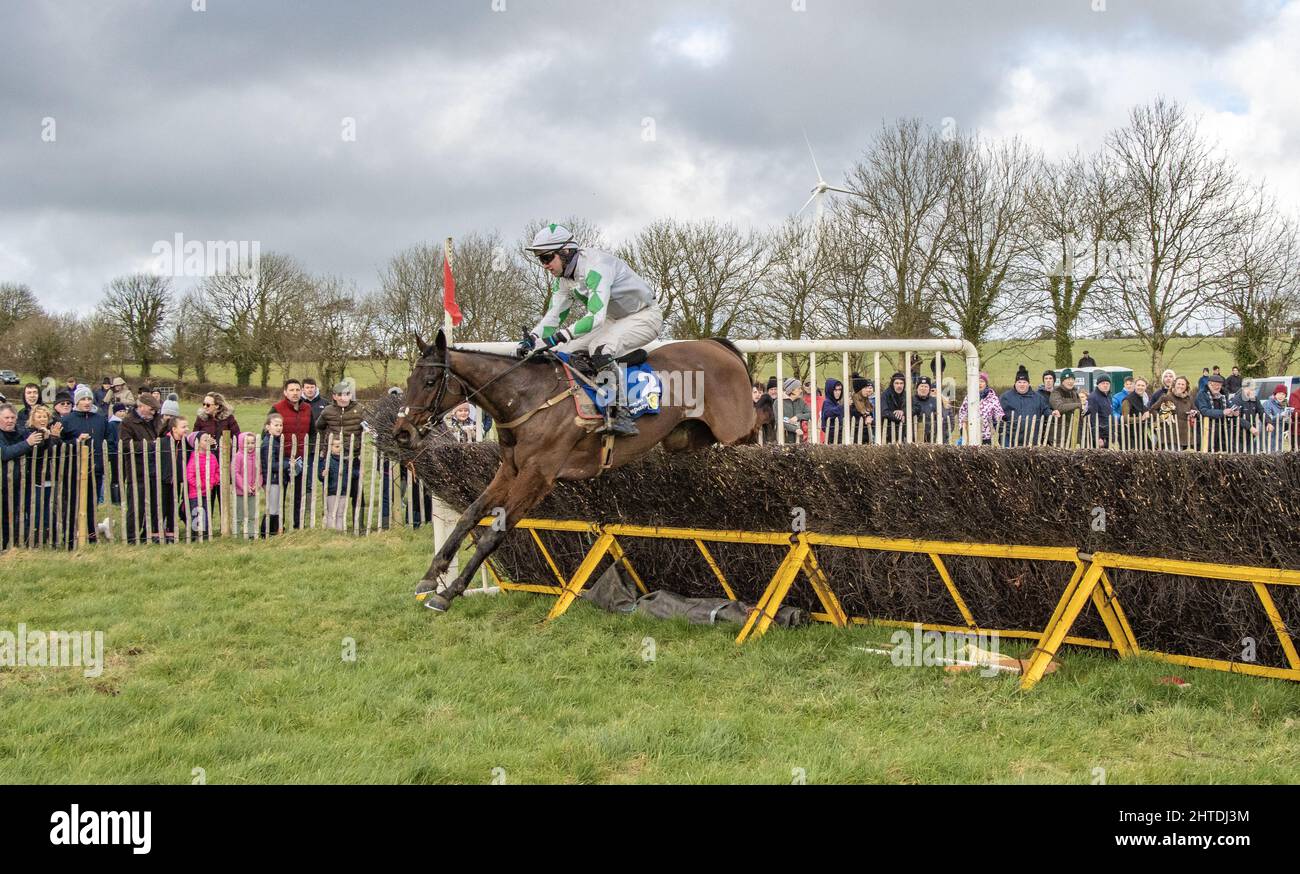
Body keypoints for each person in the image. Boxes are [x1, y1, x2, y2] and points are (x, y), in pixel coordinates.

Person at [518, 223, 664, 437]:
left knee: (600, 348)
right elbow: (554, 314)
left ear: (565, 252)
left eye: (547, 258)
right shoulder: (564, 280)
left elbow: (595, 317)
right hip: (614, 320)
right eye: (541, 260)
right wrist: (532, 338)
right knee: (563, 351)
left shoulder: (596, 266)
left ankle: (620, 413)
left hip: (644, 315)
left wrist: (556, 337)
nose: (545, 266)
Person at [58, 386, 110, 545]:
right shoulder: (67, 420)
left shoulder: (100, 419)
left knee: (92, 504)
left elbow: (108, 440)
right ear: (77, 402)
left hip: (95, 467)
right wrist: (76, 441)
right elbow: (59, 444)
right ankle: (70, 537)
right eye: (83, 399)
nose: (86, 402)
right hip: (73, 468)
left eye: (89, 399)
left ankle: (92, 535)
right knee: (73, 503)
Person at [118, 394, 165, 544]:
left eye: (156, 410)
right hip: (137, 470)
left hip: (155, 469)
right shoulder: (128, 422)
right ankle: (132, 537)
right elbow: (125, 445)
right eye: (151, 409)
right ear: (141, 406)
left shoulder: (156, 420)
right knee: (136, 507)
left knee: (154, 505)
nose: (154, 412)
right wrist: (150, 445)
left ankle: (150, 534)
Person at [259, 413, 295, 536]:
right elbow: (271, 465)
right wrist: (288, 464)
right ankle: (266, 533)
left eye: (280, 425)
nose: (279, 427)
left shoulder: (276, 441)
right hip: (272, 479)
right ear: (267, 427)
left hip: (277, 479)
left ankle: (274, 532)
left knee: (277, 507)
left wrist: (286, 462)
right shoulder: (268, 443)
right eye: (276, 425)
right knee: (273, 508)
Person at [999, 365, 1050, 445]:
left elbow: (1046, 410)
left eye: (1024, 382)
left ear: (1029, 384)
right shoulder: (1006, 397)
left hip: (1032, 440)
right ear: (1015, 383)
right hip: (1011, 440)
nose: (1022, 385)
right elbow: (997, 413)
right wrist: (1002, 429)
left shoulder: (1038, 398)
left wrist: (1052, 413)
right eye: (1019, 382)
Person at [186, 432, 220, 539]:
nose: (208, 441)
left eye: (208, 439)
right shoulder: (193, 458)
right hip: (196, 493)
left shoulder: (213, 457)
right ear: (197, 443)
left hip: (207, 491)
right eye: (205, 440)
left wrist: (212, 482)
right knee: (197, 513)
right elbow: (189, 475)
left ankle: (205, 534)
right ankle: (196, 535)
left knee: (206, 512)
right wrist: (198, 484)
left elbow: (217, 472)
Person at [1194, 372, 1238, 451]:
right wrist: (1223, 412)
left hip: (1221, 430)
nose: (1217, 387)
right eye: (1215, 385)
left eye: (1219, 385)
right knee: (1208, 452)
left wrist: (1234, 412)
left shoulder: (1222, 395)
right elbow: (1204, 411)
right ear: (1209, 384)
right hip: (1206, 429)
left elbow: (1230, 406)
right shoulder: (1202, 394)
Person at [956, 372, 1004, 445]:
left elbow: (998, 412)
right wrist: (962, 428)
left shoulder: (993, 398)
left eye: (982, 381)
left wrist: (1000, 422)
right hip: (971, 434)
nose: (980, 384)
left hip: (987, 436)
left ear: (986, 383)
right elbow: (962, 412)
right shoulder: (969, 397)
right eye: (977, 381)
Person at [230, 432, 262, 539]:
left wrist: (257, 484)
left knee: (252, 514)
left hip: (252, 491)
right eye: (247, 443)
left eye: (253, 443)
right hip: (240, 492)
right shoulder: (238, 456)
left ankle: (251, 533)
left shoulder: (256, 456)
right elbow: (235, 473)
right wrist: (245, 486)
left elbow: (260, 472)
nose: (250, 445)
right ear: (241, 443)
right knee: (239, 515)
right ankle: (237, 534)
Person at [1153, 375, 1196, 450]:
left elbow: (1197, 412)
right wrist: (1163, 417)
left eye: (1183, 384)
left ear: (1186, 387)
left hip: (1184, 435)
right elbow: (1153, 409)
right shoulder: (1167, 397)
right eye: (1178, 384)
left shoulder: (1189, 399)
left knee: (1180, 460)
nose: (1180, 386)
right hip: (1170, 434)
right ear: (1174, 385)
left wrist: (1193, 412)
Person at [1048, 369, 1085, 445]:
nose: (1070, 381)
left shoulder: (1074, 393)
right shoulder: (1056, 392)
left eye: (1072, 379)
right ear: (1062, 381)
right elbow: (1059, 407)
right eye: (1067, 379)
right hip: (1060, 435)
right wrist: (1078, 405)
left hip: (1074, 433)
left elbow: (1079, 411)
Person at [320, 433, 348, 531]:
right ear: (330, 447)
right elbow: (320, 476)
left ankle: (339, 532)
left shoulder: (345, 461)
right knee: (332, 513)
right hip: (331, 491)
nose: (339, 448)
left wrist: (358, 473)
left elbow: (350, 473)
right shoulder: (327, 460)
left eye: (340, 446)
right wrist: (322, 474)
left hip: (343, 491)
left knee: (340, 514)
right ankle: (331, 532)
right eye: (336, 446)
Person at [777, 377, 810, 443]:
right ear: (791, 390)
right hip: (783, 441)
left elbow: (810, 414)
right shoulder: (778, 402)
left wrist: (797, 417)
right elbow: (779, 420)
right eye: (799, 388)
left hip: (799, 440)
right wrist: (795, 429)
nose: (801, 391)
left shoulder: (801, 402)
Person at [912, 377, 944, 443]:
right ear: (917, 388)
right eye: (921, 386)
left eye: (926, 387)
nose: (923, 389)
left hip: (931, 437)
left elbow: (941, 418)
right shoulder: (911, 400)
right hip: (913, 437)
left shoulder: (935, 401)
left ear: (929, 389)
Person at [1084, 374, 1113, 448]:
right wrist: (1098, 437)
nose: (1105, 385)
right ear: (1098, 385)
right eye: (1103, 383)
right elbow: (1092, 418)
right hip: (1099, 435)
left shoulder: (1109, 396)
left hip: (1107, 433)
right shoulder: (1093, 398)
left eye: (1107, 383)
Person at [1262, 384, 1292, 452]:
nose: (1281, 396)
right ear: (1275, 394)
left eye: (1283, 394)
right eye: (1279, 394)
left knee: (1278, 454)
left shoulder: (1283, 405)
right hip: (1270, 434)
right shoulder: (1268, 403)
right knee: (1270, 454)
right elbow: (1267, 418)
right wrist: (1280, 415)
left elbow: (1284, 421)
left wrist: (1287, 418)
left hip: (1279, 434)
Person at [881, 372, 909, 442]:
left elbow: (916, 407)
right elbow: (884, 412)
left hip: (904, 432)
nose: (899, 386)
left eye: (901, 383)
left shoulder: (906, 394)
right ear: (892, 384)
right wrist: (899, 417)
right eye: (896, 383)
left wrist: (903, 412)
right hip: (888, 433)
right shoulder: (885, 395)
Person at [849, 375, 875, 444]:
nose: (867, 390)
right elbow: (852, 422)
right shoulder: (852, 405)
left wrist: (871, 421)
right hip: (856, 442)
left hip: (868, 440)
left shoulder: (867, 403)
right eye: (865, 388)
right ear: (859, 390)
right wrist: (864, 421)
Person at [819, 378, 845, 444]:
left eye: (840, 390)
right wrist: (843, 407)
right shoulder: (827, 402)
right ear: (830, 390)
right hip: (832, 438)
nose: (838, 392)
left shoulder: (836, 402)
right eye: (835, 390)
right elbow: (828, 413)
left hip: (840, 436)